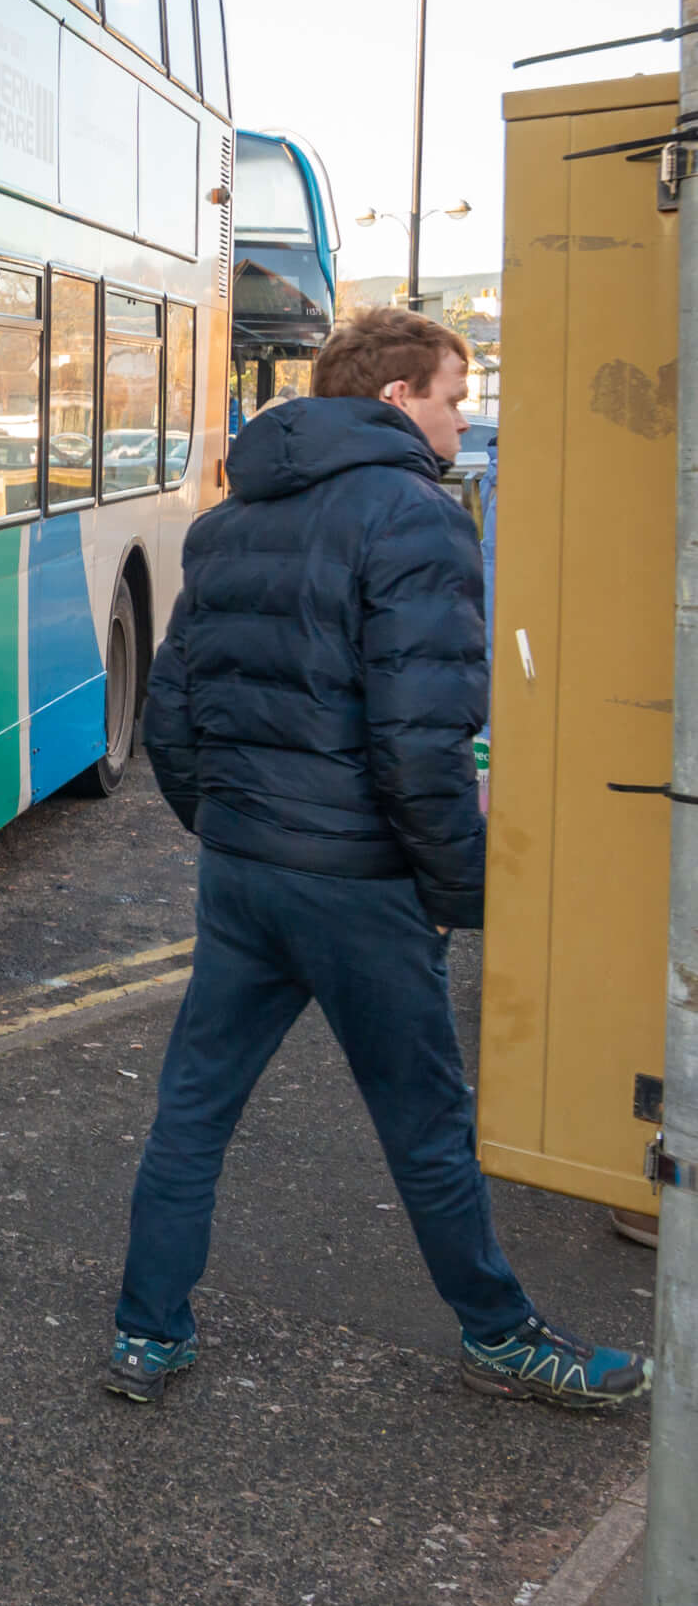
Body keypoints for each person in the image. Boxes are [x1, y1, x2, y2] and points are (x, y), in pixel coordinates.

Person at [107, 305, 647, 1410]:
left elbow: (172, 712)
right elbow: (422, 742)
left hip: (245, 866)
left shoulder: (228, 523)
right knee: (426, 1126)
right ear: (397, 396)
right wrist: (457, 890)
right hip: (359, 882)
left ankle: (147, 1331)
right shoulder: (416, 519)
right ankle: (501, 1337)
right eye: (452, 397)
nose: (462, 419)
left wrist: (229, 826)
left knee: (194, 1107)